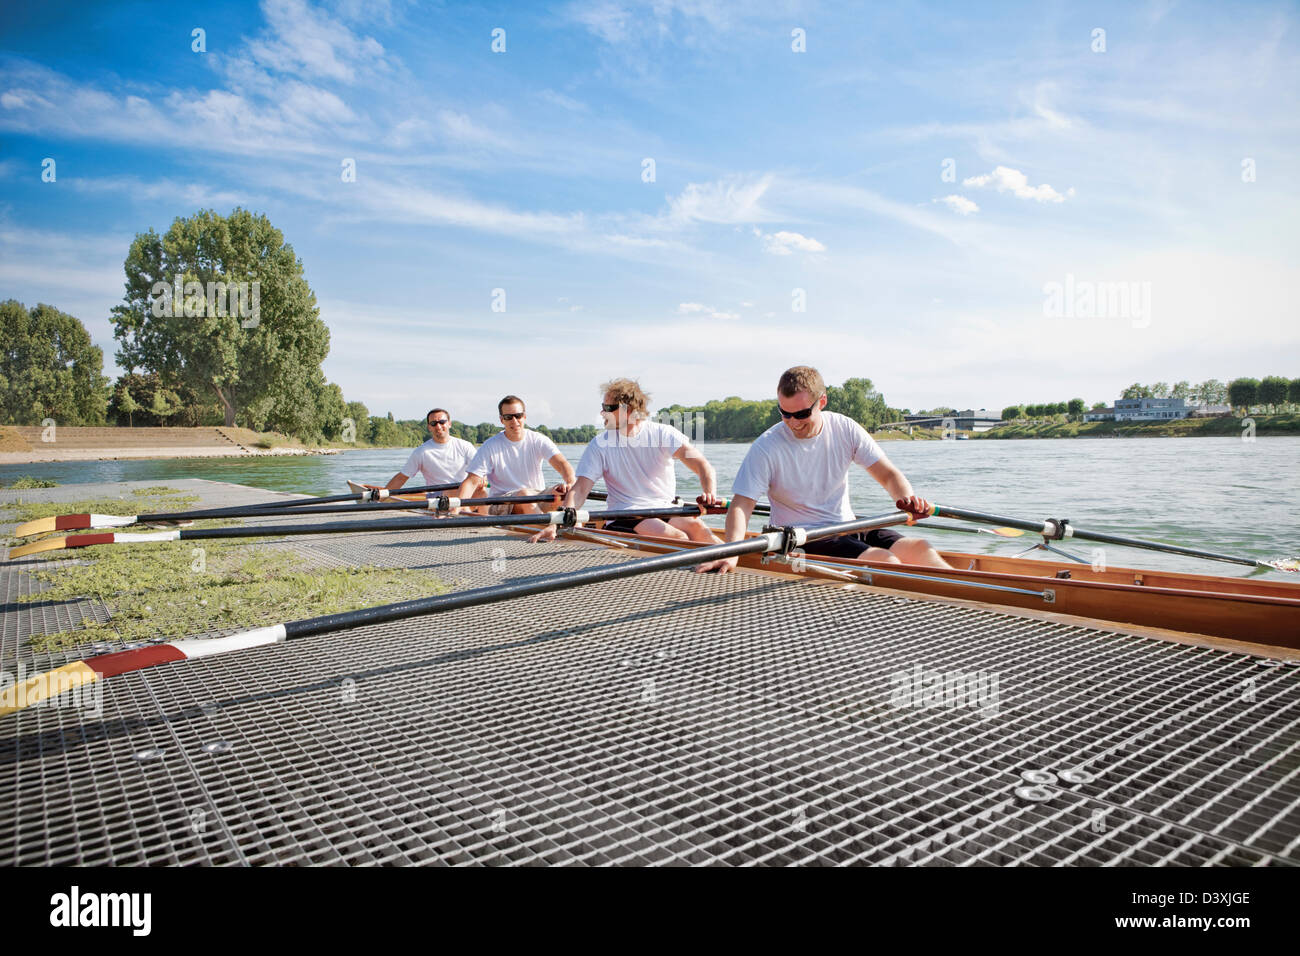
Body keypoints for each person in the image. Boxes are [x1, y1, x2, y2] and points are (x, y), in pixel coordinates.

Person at [697, 365, 950, 573]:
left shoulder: (845, 428)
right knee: (886, 561)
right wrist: (731, 552)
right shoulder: (766, 447)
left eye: (802, 414)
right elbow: (742, 505)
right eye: (785, 413)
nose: (793, 423)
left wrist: (906, 500)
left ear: (822, 402)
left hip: (847, 526)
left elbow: (888, 475)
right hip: (802, 537)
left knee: (920, 548)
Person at [531, 378, 722, 543]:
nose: (602, 413)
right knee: (677, 537)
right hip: (624, 513)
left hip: (664, 508)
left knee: (699, 529)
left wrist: (709, 494)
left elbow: (703, 466)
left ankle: (726, 560)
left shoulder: (664, 434)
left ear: (627, 410)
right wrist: (558, 522)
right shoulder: (600, 445)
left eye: (607, 408)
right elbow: (580, 489)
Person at [454, 395, 576, 515]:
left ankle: (571, 525)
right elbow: (471, 481)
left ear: (524, 417)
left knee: (561, 491)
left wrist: (571, 483)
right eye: (508, 417)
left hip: (536, 495)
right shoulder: (489, 446)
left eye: (518, 416)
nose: (514, 421)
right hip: (501, 501)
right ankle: (549, 526)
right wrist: (456, 507)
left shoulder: (538, 440)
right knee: (524, 495)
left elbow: (562, 463)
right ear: (502, 420)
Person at [382, 408, 477, 491]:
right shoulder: (421, 452)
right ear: (429, 427)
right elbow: (401, 478)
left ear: (449, 424)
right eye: (433, 423)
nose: (438, 426)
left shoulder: (465, 446)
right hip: (437, 496)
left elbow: (480, 471)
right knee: (451, 492)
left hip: (464, 492)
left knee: (481, 491)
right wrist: (381, 497)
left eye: (442, 422)